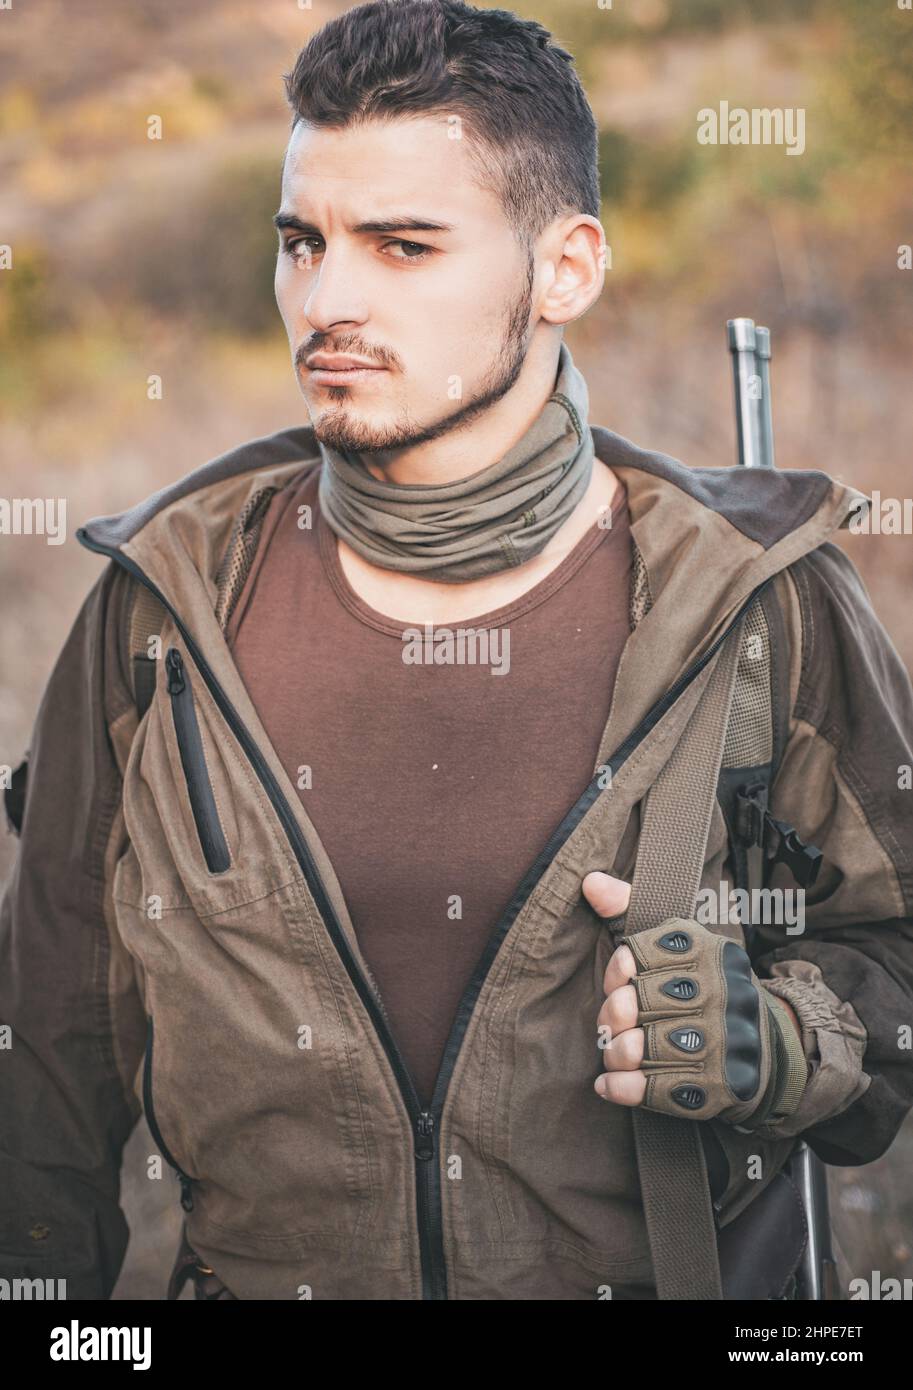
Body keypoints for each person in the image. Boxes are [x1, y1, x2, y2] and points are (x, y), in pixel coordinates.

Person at [2, 0, 912, 1302]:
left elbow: (895, 954)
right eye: (301, 241)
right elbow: (43, 1068)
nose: (328, 298)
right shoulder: (160, 609)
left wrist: (774, 1037)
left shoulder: (757, 601)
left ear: (566, 270)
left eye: (401, 245)